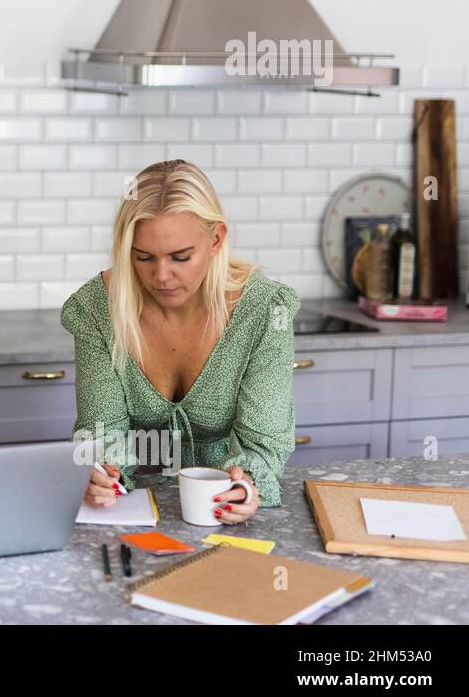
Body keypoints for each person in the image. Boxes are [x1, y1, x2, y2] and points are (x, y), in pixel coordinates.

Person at [61, 159, 299, 524]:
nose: (161, 276)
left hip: (219, 510)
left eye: (181, 257)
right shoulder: (98, 309)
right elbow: (101, 430)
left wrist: (246, 486)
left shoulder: (265, 311)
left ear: (216, 239)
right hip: (133, 511)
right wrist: (102, 474)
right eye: (143, 257)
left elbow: (262, 444)